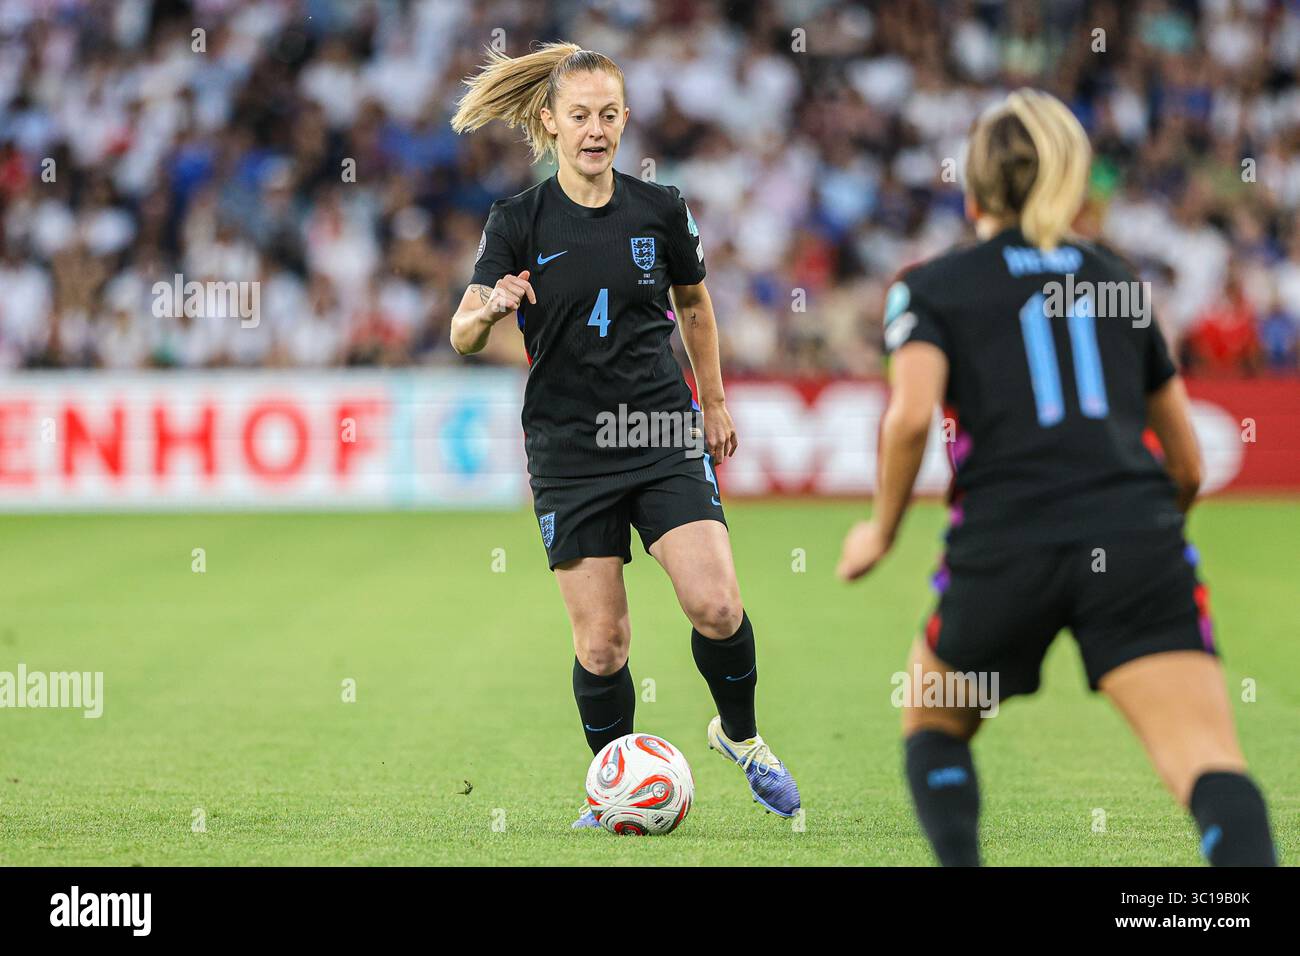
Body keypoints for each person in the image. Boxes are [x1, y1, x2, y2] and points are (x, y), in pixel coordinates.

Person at [837, 89, 1275, 866]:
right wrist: (1148, 542)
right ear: (1070, 184)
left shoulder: (932, 286)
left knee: (935, 721)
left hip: (1008, 543)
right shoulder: (1115, 278)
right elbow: (1189, 464)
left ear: (972, 188)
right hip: (1137, 539)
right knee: (1208, 762)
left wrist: (881, 530)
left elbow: (909, 419)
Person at [448, 42, 799, 827]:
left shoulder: (661, 208)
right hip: (569, 451)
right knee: (602, 645)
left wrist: (712, 400)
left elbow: (698, 308)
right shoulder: (516, 222)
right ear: (551, 122)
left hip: (660, 430)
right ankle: (613, 784)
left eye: (609, 114)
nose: (595, 130)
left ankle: (740, 736)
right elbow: (461, 334)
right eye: (580, 116)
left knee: (716, 605)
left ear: (625, 119)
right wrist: (487, 309)